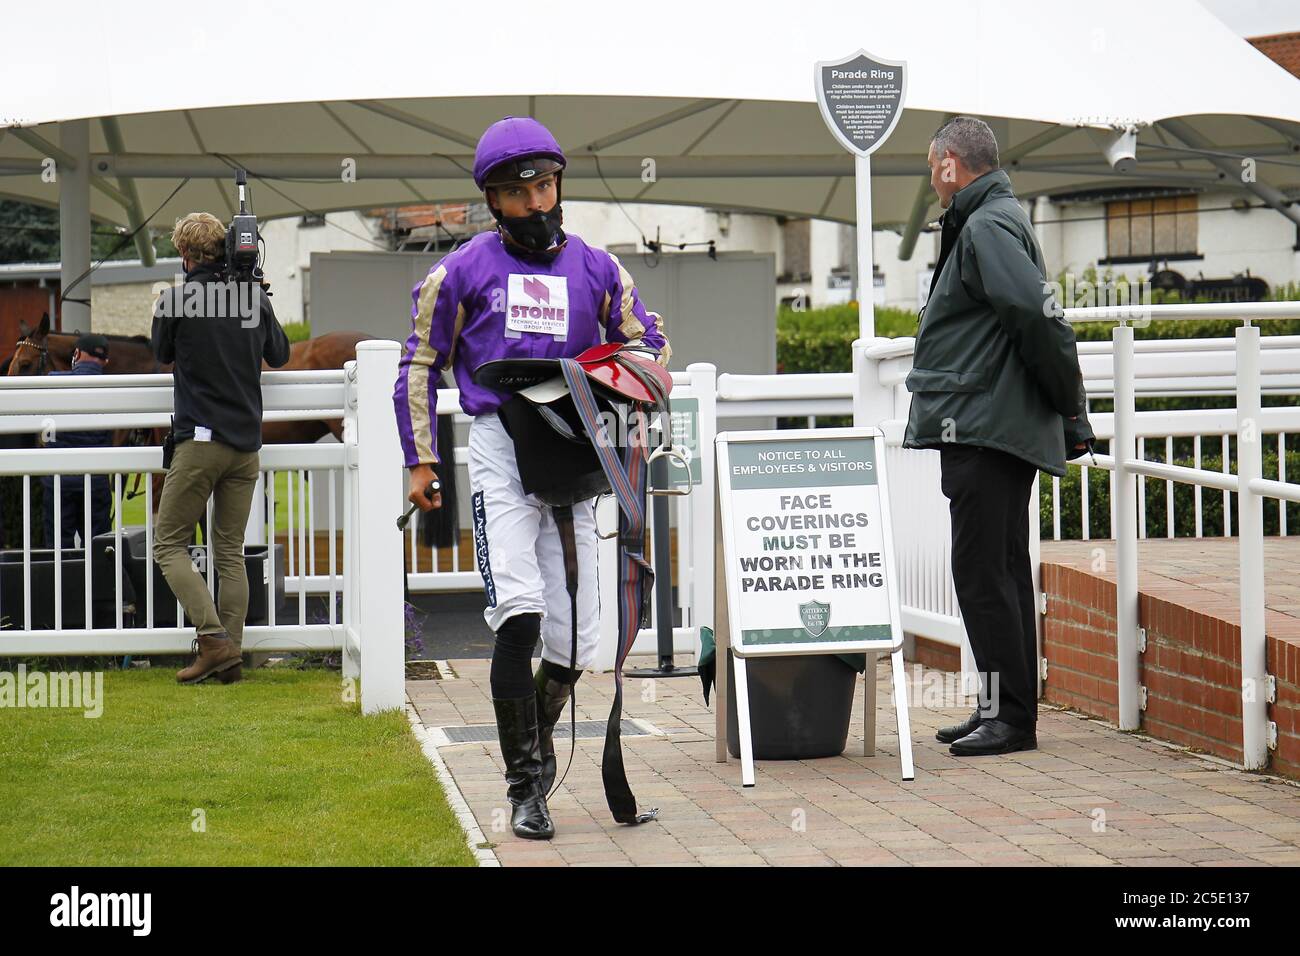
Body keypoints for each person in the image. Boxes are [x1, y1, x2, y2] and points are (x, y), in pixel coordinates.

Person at [394, 116, 670, 840]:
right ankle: (525, 789)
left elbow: (647, 346)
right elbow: (419, 362)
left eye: (546, 186)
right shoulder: (458, 272)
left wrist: (626, 379)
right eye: (520, 194)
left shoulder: (601, 269)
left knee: (578, 645)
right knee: (518, 613)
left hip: (574, 451)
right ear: (493, 201)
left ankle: (539, 747)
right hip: (498, 449)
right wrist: (419, 460)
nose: (538, 203)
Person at [904, 116, 1093, 756]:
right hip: (989, 422)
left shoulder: (985, 226)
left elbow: (1042, 324)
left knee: (985, 572)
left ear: (952, 163)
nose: (931, 178)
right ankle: (1001, 709)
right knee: (1001, 570)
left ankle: (1009, 717)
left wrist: (1072, 413)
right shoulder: (991, 220)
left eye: (933, 166)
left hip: (987, 427)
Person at [151, 212, 291, 685]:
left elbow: (160, 352)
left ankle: (213, 641)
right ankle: (231, 656)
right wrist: (257, 292)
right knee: (229, 552)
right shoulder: (252, 296)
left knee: (168, 544)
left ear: (185, 255)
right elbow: (281, 355)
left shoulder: (176, 300)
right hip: (246, 445)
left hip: (199, 443)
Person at [40, 334, 113, 549]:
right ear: (105, 361)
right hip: (96, 482)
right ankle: (99, 584)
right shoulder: (111, 387)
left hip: (59, 482)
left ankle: (59, 583)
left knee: (57, 550)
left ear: (77, 354)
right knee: (100, 548)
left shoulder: (53, 381)